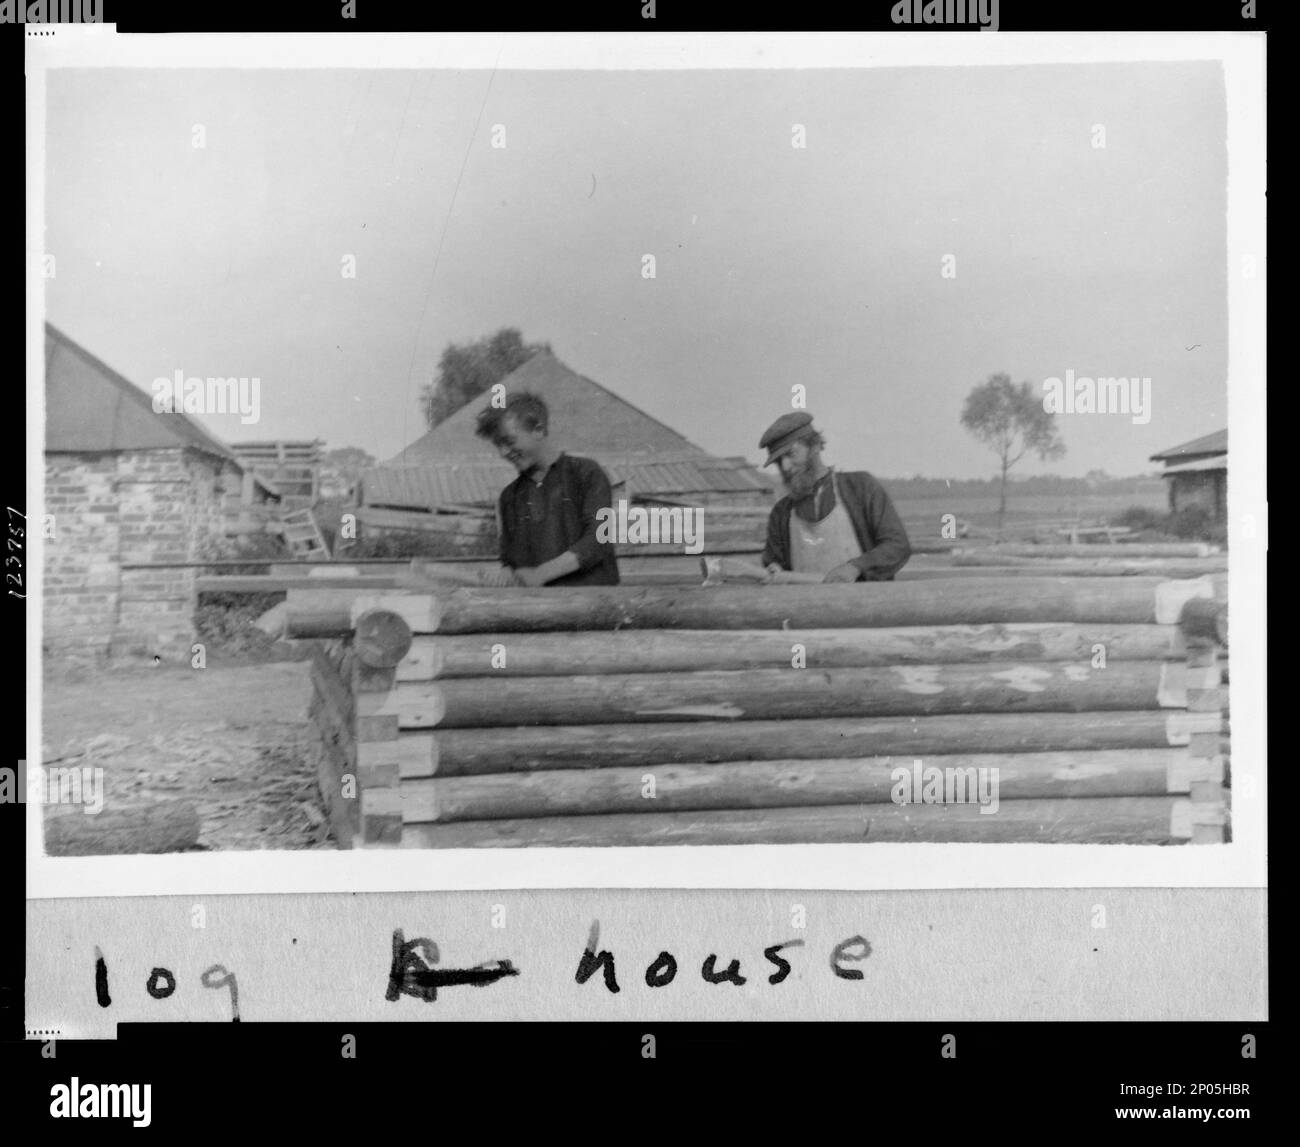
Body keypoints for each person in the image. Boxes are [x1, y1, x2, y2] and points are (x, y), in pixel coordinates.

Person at [474, 391, 620, 587]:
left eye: (509, 441)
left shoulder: (586, 474)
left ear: (538, 430)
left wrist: (541, 574)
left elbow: (598, 540)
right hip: (540, 611)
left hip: (592, 608)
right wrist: (505, 575)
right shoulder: (509, 497)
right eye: (498, 445)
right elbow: (510, 561)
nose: (503, 453)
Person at [758, 411, 911, 583]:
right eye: (779, 461)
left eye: (791, 454)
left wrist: (856, 567)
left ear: (814, 447)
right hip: (807, 607)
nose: (785, 466)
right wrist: (774, 569)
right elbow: (774, 563)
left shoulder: (861, 487)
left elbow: (897, 546)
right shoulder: (781, 513)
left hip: (865, 605)